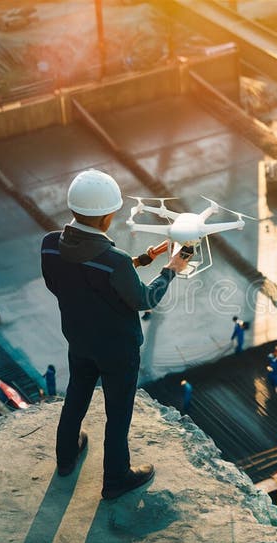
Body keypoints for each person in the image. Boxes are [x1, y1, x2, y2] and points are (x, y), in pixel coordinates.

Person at [41, 168, 189, 500]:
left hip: (79, 340)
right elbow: (144, 299)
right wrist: (170, 269)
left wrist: (144, 258)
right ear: (106, 216)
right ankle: (116, 478)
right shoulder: (114, 261)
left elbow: (76, 278)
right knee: (118, 412)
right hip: (118, 351)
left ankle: (66, 457)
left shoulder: (49, 245)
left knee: (76, 395)